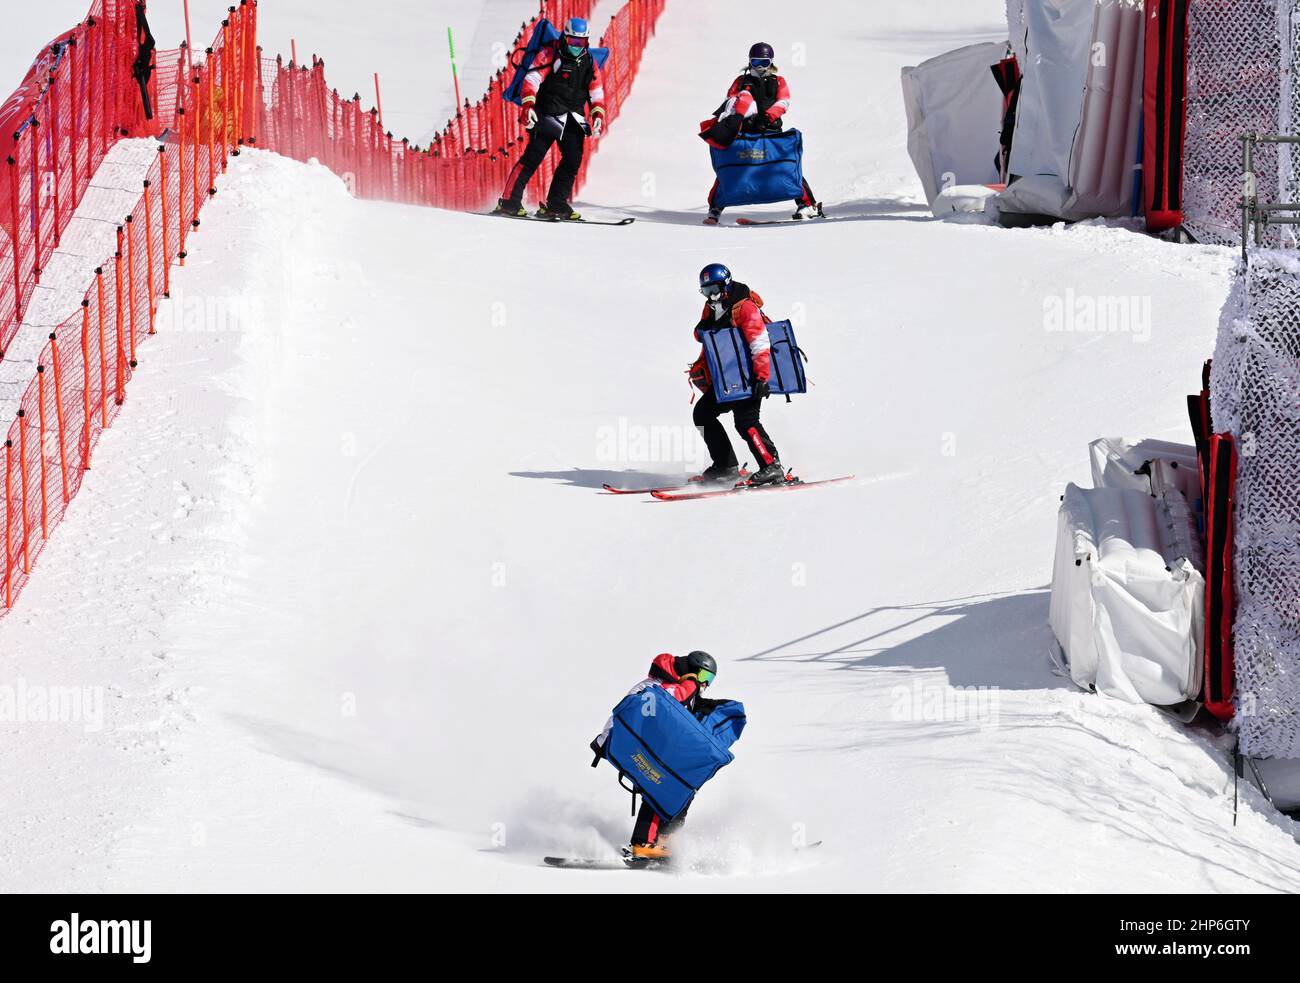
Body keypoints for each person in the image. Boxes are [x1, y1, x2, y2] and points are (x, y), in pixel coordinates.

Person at [590, 651, 720, 862]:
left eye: (710, 681)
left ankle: (664, 844)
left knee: (681, 788)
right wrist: (693, 684)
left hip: (634, 741)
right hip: (618, 739)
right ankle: (643, 845)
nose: (705, 685)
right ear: (693, 671)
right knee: (661, 787)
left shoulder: (669, 686)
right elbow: (671, 697)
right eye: (705, 677)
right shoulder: (658, 684)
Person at [494, 18, 605, 221]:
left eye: (580, 43)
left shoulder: (589, 62)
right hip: (547, 112)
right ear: (565, 37)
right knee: (533, 157)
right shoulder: (550, 54)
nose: (575, 47)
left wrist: (598, 113)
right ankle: (510, 201)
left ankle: (556, 204)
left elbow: (596, 92)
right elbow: (532, 80)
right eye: (572, 41)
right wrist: (528, 105)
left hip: (573, 117)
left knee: (572, 160)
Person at [687, 263, 786, 487]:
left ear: (726, 284)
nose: (710, 295)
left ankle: (772, 466)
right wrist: (701, 330)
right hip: (727, 378)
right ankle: (725, 465)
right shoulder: (711, 307)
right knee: (702, 414)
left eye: (713, 289)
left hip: (749, 377)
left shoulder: (744, 307)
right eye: (705, 291)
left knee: (746, 421)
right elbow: (702, 333)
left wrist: (762, 377)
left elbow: (759, 343)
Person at [703, 42, 824, 225]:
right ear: (750, 62)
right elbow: (731, 100)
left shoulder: (778, 81)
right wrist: (743, 116)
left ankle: (807, 205)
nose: (760, 67)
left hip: (771, 131)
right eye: (756, 61)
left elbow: (784, 102)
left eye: (764, 62)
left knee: (786, 165)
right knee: (731, 166)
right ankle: (715, 209)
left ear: (771, 62)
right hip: (746, 132)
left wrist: (767, 117)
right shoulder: (741, 81)